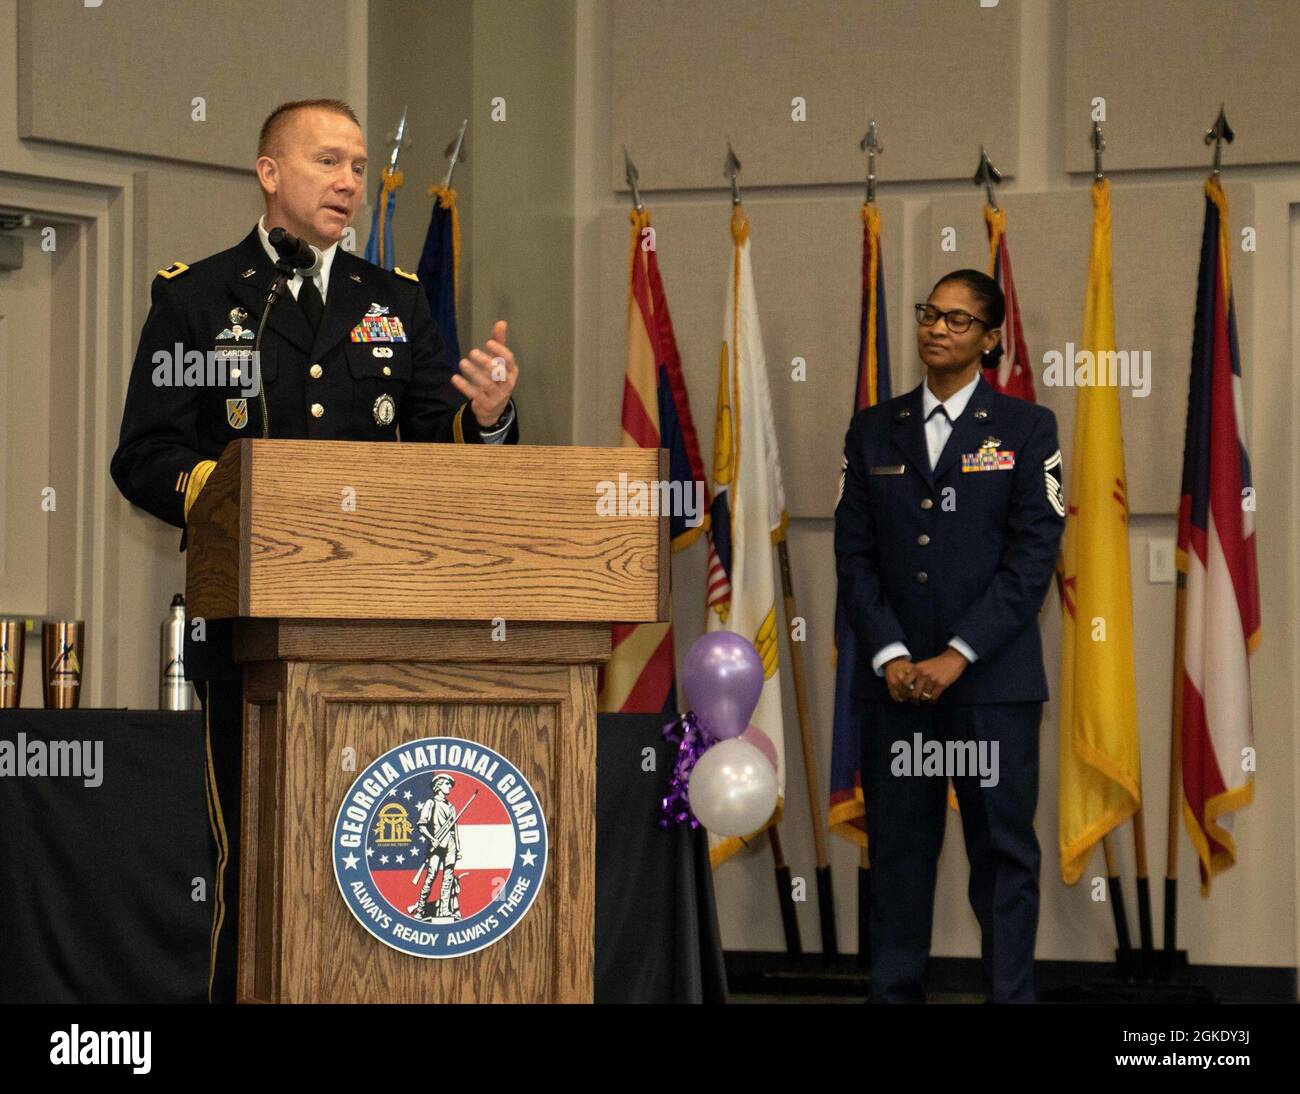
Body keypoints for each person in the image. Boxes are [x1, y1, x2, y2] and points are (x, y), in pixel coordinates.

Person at [110, 99, 520, 1002]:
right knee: (258, 867)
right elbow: (142, 458)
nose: (348, 183)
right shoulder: (198, 297)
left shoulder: (397, 301)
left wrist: (485, 420)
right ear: (269, 173)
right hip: (250, 640)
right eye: (327, 162)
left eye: (357, 166)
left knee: (378, 867)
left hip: (377, 638)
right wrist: (233, 496)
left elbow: (435, 448)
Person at [834, 269, 1065, 1003]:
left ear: (991, 339)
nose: (937, 328)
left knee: (1002, 857)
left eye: (960, 320)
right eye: (930, 314)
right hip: (896, 688)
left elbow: (1032, 560)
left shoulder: (1028, 429)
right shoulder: (874, 428)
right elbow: (855, 554)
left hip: (991, 689)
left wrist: (956, 655)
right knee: (900, 858)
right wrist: (895, 655)